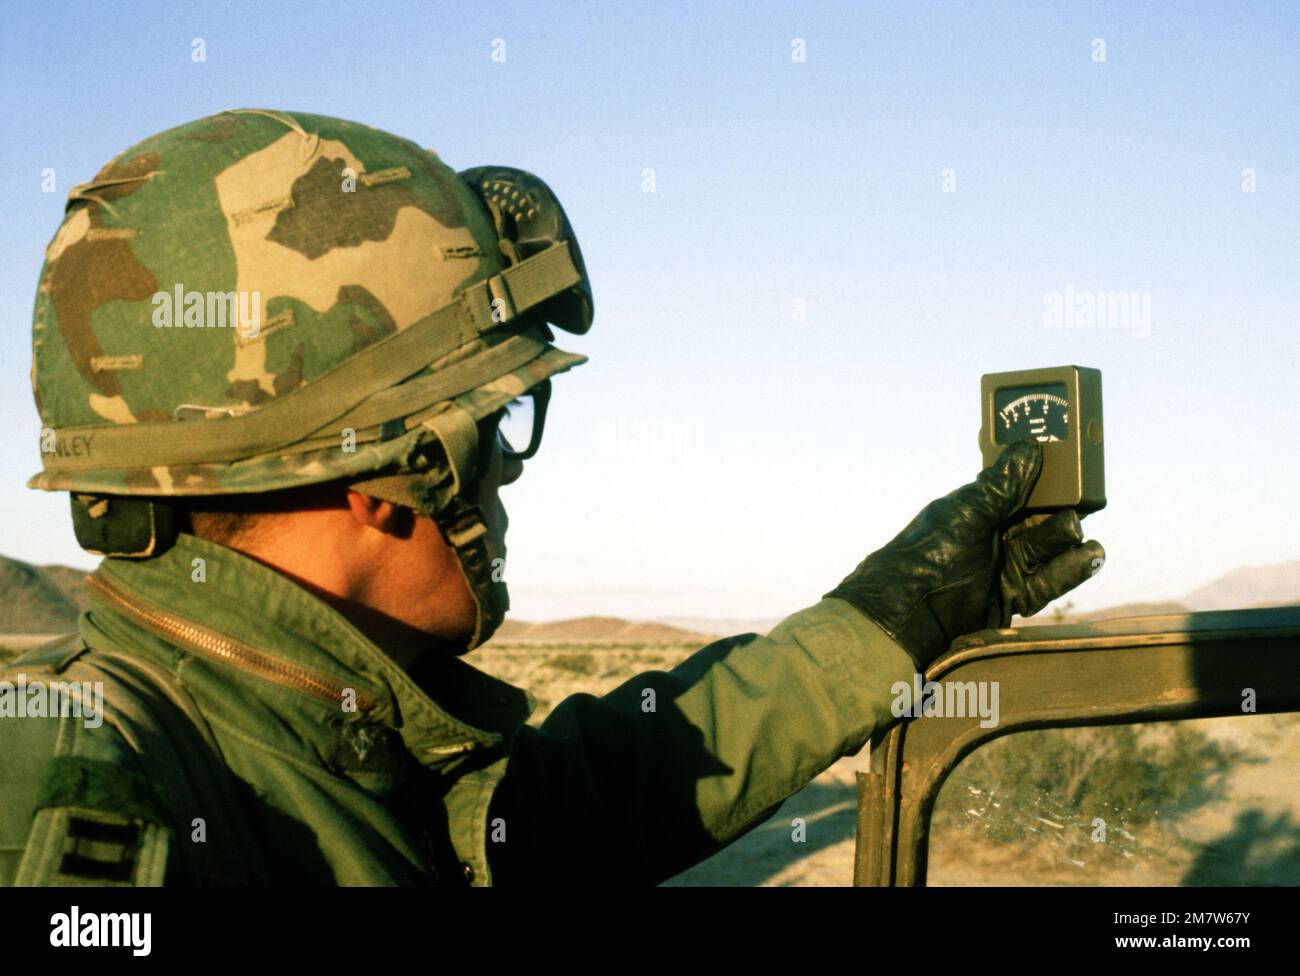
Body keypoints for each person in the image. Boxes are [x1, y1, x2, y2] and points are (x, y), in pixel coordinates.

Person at [1, 109, 1103, 886]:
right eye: (495, 431)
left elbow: (620, 785)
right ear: (402, 472)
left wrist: (897, 609)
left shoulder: (326, 729)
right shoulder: (78, 790)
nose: (511, 471)